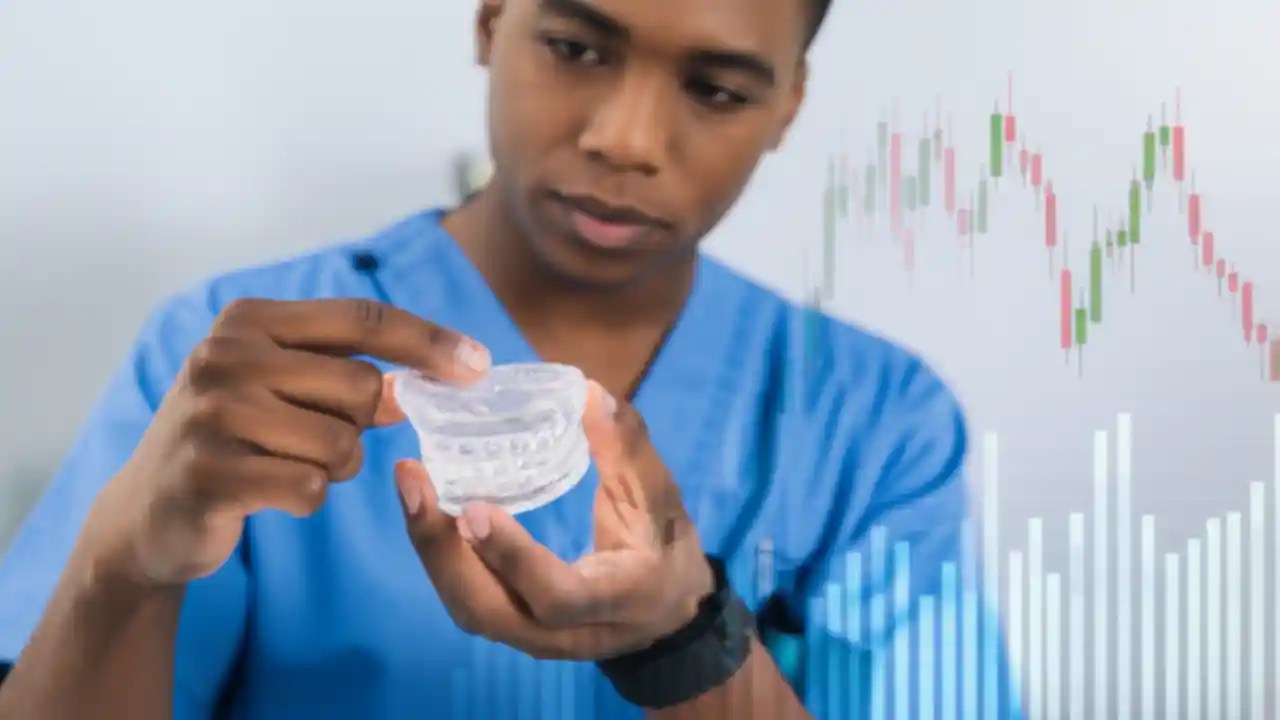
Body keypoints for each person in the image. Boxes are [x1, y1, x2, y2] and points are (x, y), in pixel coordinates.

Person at [0, 0, 1020, 718]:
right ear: (491, 18)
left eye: (714, 89)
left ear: (788, 103)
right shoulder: (237, 360)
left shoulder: (873, 423)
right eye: (575, 47)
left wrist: (687, 643)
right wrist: (117, 567)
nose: (625, 139)